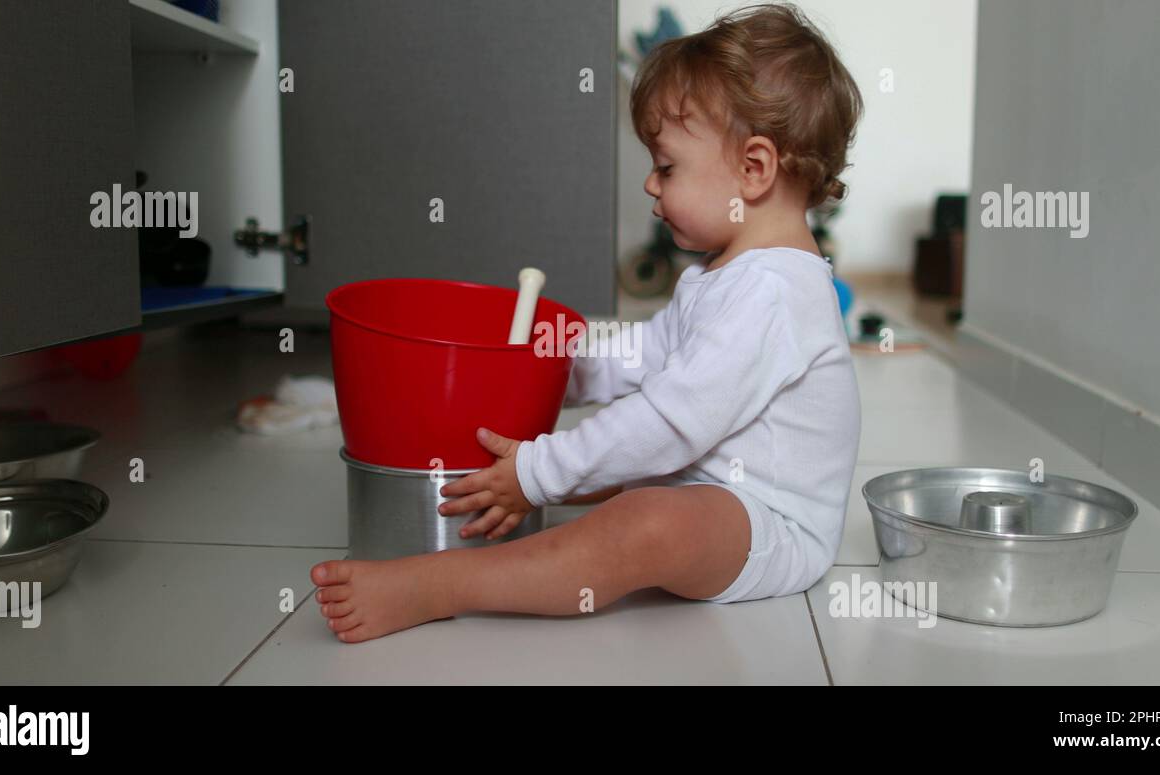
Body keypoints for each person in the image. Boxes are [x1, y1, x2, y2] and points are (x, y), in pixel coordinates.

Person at [311, 3, 863, 643]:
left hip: (772, 525)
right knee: (614, 484)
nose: (652, 187)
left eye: (667, 166)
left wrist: (541, 471)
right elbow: (646, 353)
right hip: (710, 485)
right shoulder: (722, 275)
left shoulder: (772, 292)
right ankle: (528, 535)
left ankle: (436, 586)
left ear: (754, 169)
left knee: (643, 523)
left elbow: (669, 420)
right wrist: (547, 369)